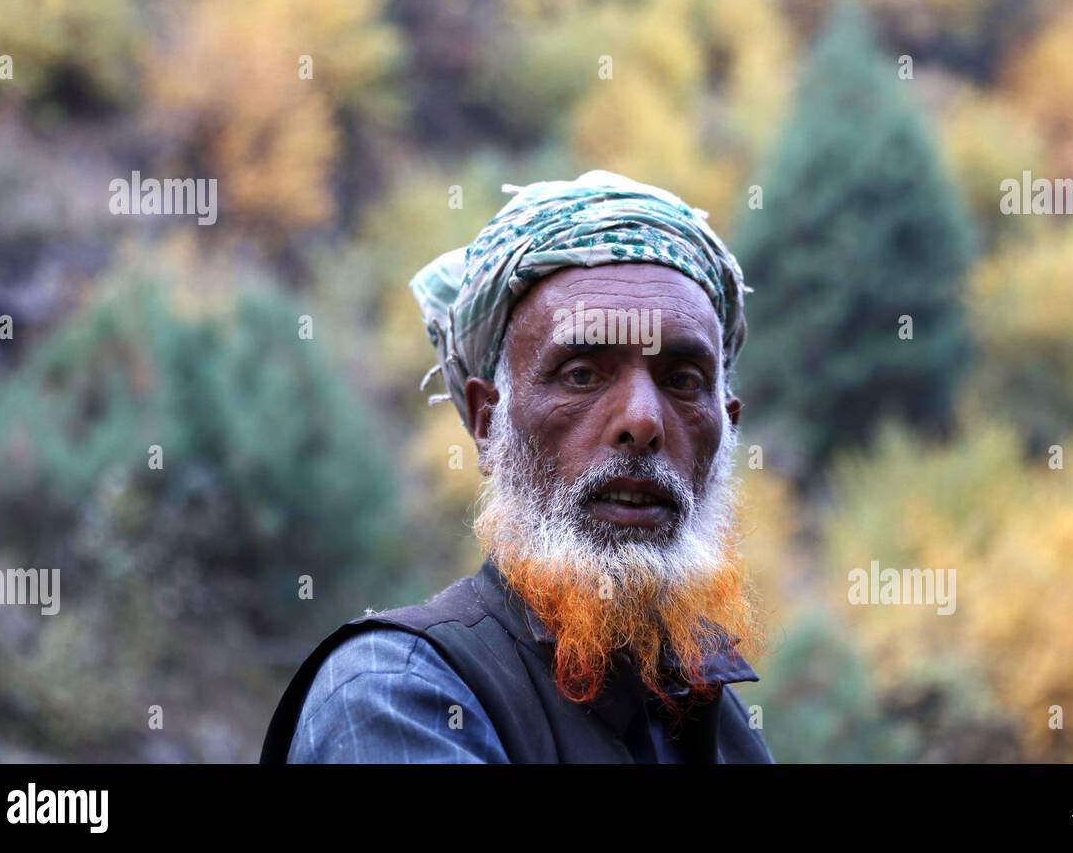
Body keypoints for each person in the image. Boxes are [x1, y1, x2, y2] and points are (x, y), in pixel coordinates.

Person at [260, 170, 773, 763]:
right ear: (486, 422)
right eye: (581, 374)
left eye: (682, 381)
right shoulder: (395, 693)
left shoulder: (720, 714)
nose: (643, 421)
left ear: (728, 425)